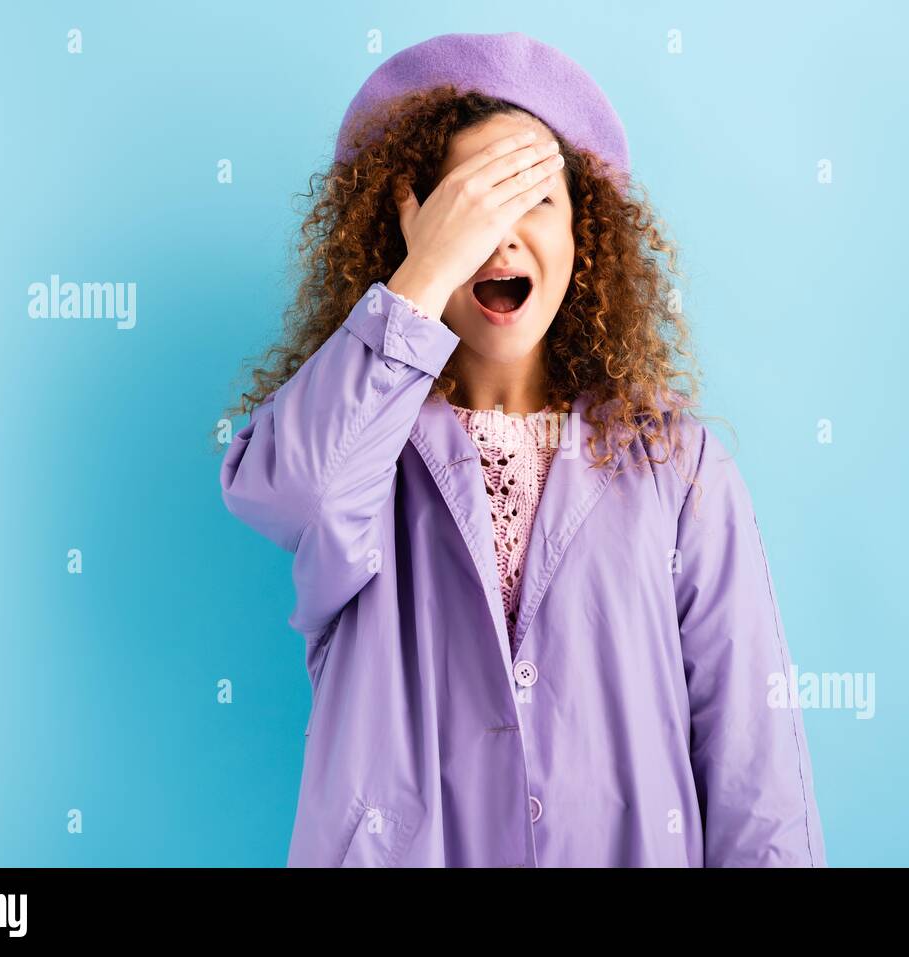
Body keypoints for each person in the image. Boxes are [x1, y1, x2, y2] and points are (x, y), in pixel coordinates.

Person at [219, 31, 827, 867]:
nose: (499, 237)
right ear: (409, 232)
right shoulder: (365, 449)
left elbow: (757, 772)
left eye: (533, 198)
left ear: (585, 236)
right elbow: (295, 494)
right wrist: (421, 280)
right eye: (467, 206)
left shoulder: (678, 469)